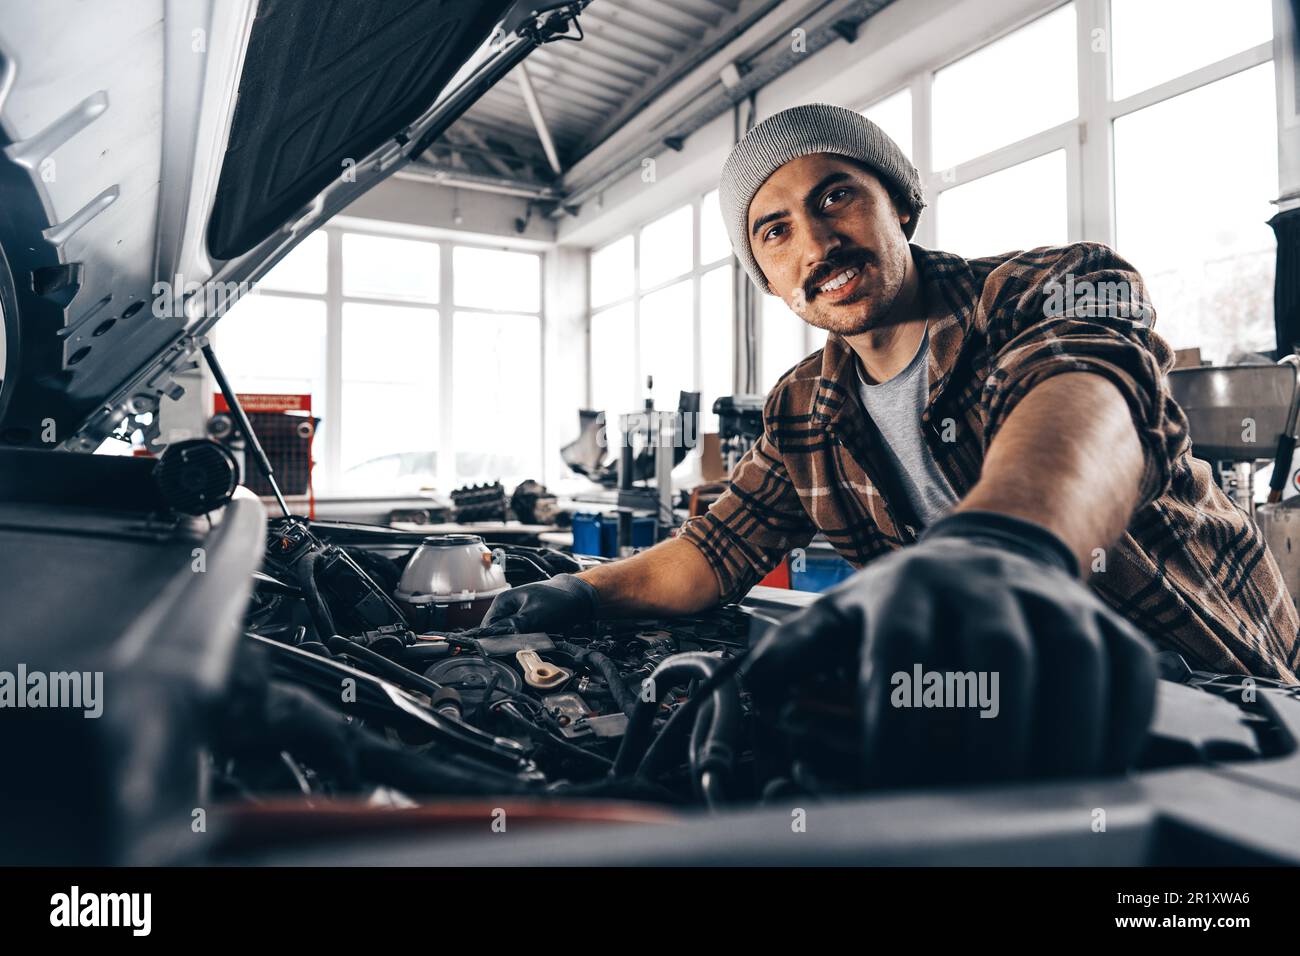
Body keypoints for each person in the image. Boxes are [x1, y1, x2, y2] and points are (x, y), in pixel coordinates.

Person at [474, 104, 1299, 775]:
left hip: (1225, 698)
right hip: (1014, 713)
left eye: (836, 196)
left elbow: (1088, 396)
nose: (816, 242)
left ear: (898, 204)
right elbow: (706, 558)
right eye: (775, 230)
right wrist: (582, 593)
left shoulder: (1047, 286)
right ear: (768, 279)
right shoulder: (805, 407)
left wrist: (999, 552)